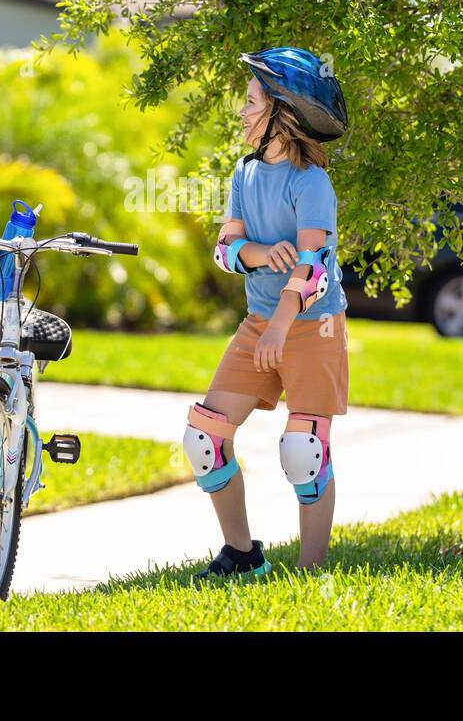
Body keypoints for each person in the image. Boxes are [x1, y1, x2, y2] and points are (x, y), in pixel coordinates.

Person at [186, 46, 350, 580]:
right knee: (204, 437)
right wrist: (256, 253)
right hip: (259, 325)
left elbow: (315, 268)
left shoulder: (311, 183)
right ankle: (242, 554)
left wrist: (281, 322)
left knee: (303, 450)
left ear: (283, 112)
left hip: (311, 326)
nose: (242, 111)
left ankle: (311, 572)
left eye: (252, 101)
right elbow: (225, 249)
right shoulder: (244, 173)